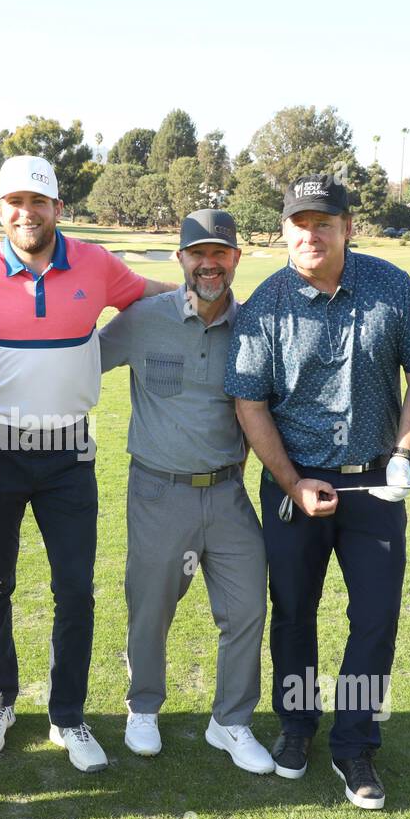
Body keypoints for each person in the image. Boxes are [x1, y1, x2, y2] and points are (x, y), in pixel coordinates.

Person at [0, 155, 174, 773]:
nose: (26, 213)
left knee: (75, 589)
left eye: (38, 202)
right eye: (14, 202)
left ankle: (68, 714)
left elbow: (152, 298)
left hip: (69, 451)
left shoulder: (96, 264)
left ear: (58, 209)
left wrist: (217, 292)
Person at [226, 173, 410, 810]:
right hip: (295, 487)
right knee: (293, 614)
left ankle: (354, 744)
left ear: (349, 227)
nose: (311, 233)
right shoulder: (266, 302)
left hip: (376, 484)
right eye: (300, 223)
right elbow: (249, 400)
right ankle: (297, 727)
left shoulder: (390, 286)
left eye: (324, 222)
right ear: (285, 230)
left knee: (374, 617)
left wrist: (404, 454)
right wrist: (292, 482)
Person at [98, 210, 272, 773]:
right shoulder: (143, 319)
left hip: (227, 492)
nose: (209, 264)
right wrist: (2, 381)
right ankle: (143, 706)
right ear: (181, 259)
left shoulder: (256, 326)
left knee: (247, 607)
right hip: (157, 490)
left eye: (220, 253)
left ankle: (231, 722)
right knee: (150, 606)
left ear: (236, 260)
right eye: (198, 253)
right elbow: (77, 362)